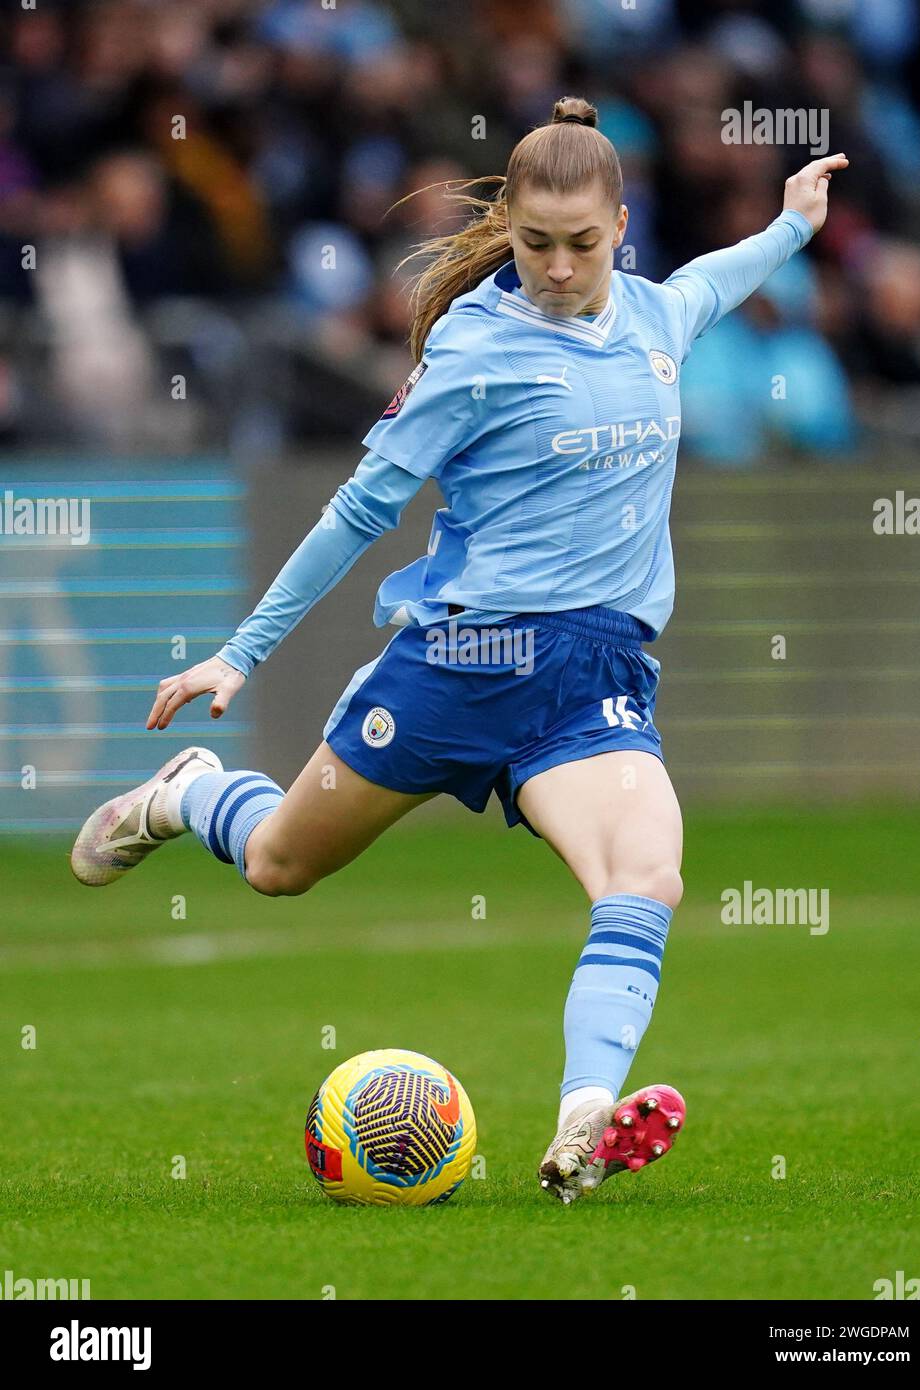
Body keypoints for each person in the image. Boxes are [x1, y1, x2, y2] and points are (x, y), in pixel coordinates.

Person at [71, 97, 847, 1203]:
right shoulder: (474, 352)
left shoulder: (656, 315)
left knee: (645, 875)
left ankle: (583, 1119)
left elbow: (718, 279)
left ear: (621, 228)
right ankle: (186, 792)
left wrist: (794, 224)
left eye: (584, 243)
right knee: (280, 865)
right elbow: (358, 509)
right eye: (536, 244)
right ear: (511, 231)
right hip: (459, 666)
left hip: (594, 680)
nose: (560, 267)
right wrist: (239, 654)